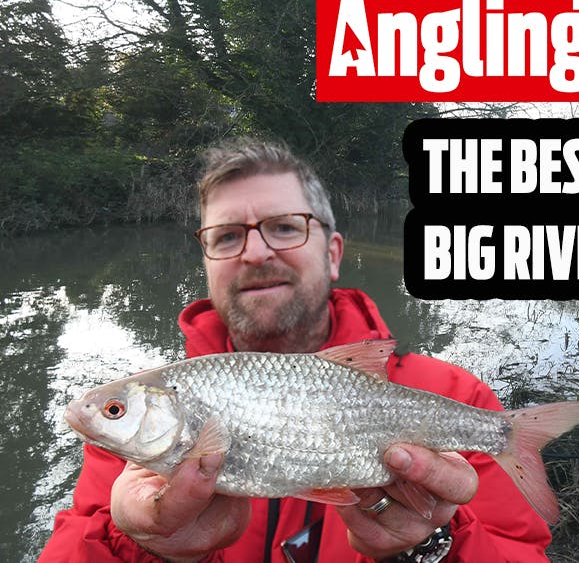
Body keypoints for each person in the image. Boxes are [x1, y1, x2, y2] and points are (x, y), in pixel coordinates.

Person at [42, 138, 552, 561]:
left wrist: (431, 546)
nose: (256, 251)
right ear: (207, 261)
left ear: (332, 255)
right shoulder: (132, 449)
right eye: (226, 237)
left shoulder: (461, 396)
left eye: (284, 227)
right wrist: (146, 548)